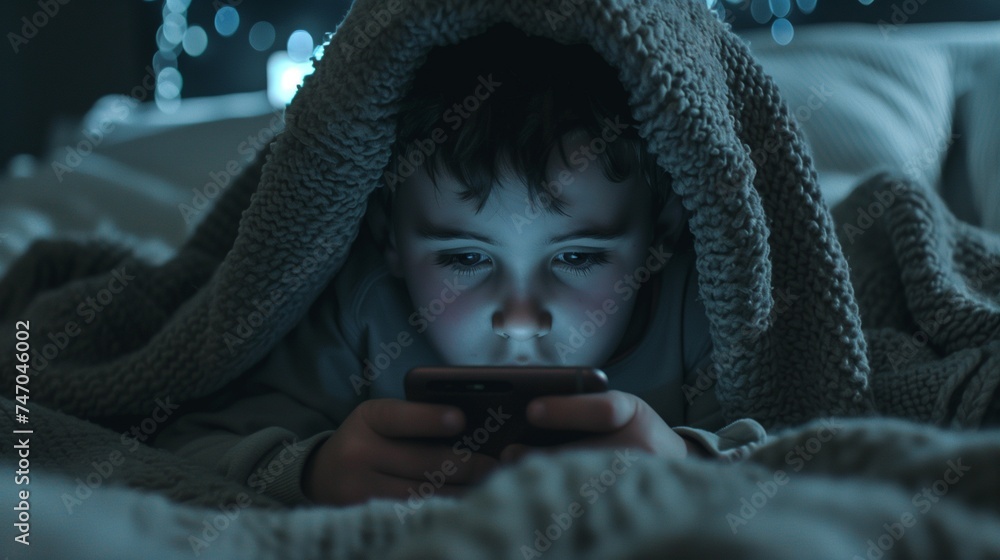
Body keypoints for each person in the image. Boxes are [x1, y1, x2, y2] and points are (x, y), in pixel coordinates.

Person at [154, 24, 766, 506]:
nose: (521, 319)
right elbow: (180, 444)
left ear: (660, 231)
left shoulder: (703, 303)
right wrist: (312, 471)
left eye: (577, 256)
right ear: (386, 237)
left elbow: (813, 444)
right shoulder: (359, 308)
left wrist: (688, 465)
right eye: (466, 258)